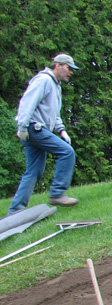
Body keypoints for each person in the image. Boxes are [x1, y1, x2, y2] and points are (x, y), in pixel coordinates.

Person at [7, 53, 80, 216]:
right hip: (34, 128)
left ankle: (15, 210)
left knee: (34, 170)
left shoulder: (56, 86)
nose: (71, 72)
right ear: (58, 65)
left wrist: (61, 130)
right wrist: (23, 127)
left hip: (36, 129)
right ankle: (57, 194)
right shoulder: (44, 80)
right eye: (69, 68)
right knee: (67, 152)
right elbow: (27, 103)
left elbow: (54, 113)